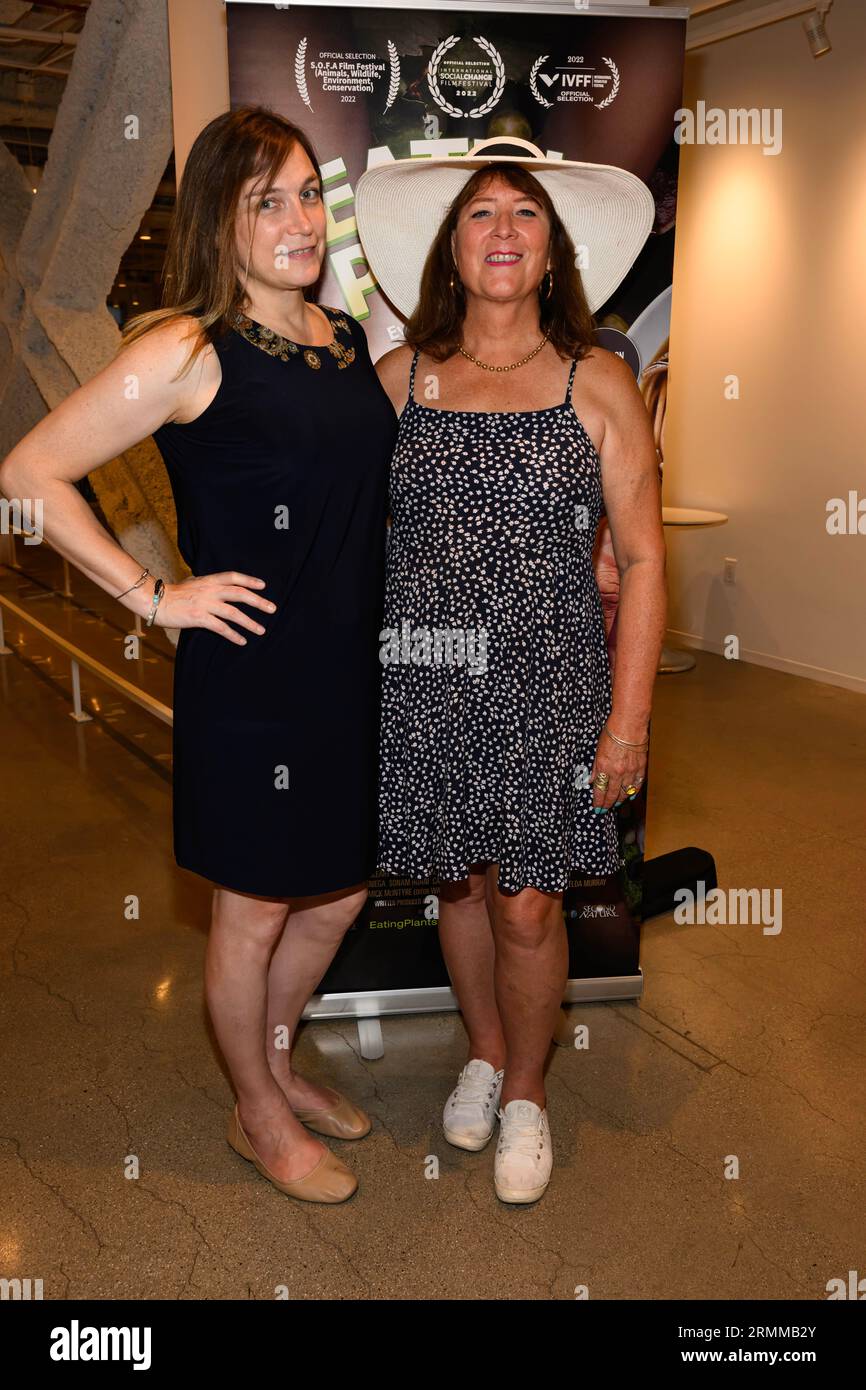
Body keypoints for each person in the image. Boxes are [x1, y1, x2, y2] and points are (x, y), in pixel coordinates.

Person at [0, 107, 397, 1205]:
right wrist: (154, 596)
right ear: (218, 223)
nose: (299, 220)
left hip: (346, 671)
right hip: (256, 676)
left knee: (336, 892)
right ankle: (258, 1114)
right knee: (255, 905)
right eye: (265, 201)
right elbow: (28, 472)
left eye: (309, 194)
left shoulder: (341, 336)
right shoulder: (183, 346)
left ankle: (269, 1062)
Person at [356, 137, 667, 1204]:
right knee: (460, 881)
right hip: (431, 681)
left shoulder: (598, 383)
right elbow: (337, 533)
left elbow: (640, 557)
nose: (500, 230)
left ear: (550, 252)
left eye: (521, 215)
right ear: (452, 249)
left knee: (528, 905)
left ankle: (528, 1087)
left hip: (549, 687)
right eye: (479, 214)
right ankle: (482, 1052)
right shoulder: (399, 379)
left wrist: (626, 722)